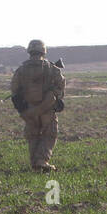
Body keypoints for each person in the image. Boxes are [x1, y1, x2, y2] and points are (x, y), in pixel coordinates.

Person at [10, 39, 65, 172]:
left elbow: (14, 89)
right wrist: (52, 96)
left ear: (29, 51)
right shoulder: (52, 68)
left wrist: (25, 108)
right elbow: (61, 86)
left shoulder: (21, 70)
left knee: (33, 135)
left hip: (29, 110)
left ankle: (35, 163)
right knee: (49, 134)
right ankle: (42, 161)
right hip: (47, 109)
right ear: (43, 51)